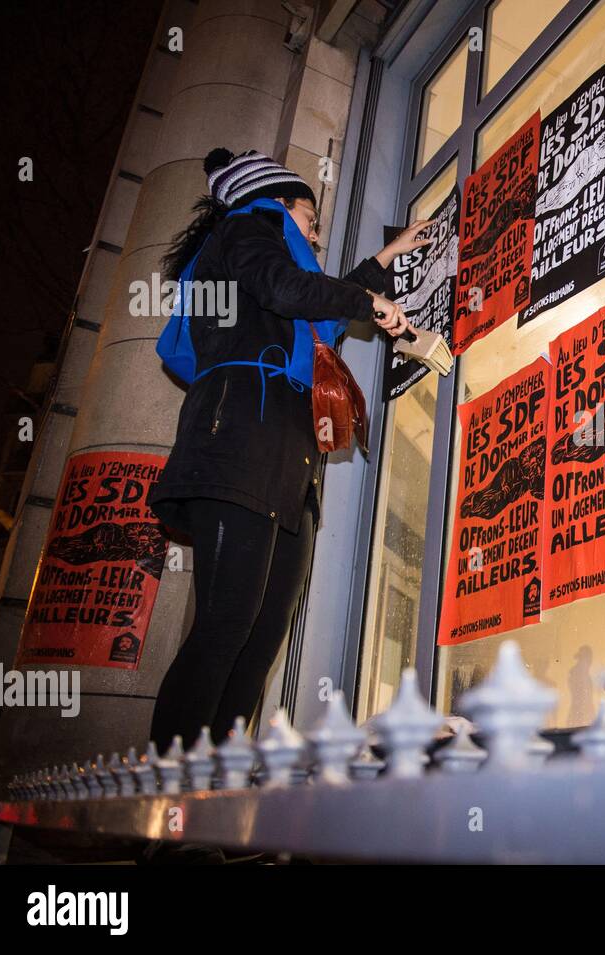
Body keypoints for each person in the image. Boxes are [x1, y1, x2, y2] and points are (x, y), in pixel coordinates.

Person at [146, 146, 428, 754]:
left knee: (261, 641)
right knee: (225, 629)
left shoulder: (273, 272)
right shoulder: (243, 230)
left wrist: (385, 261)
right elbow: (287, 286)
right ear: (275, 203)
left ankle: (215, 802)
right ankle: (168, 809)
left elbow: (310, 311)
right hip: (236, 449)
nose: (318, 237)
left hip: (289, 464)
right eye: (312, 219)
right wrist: (366, 302)